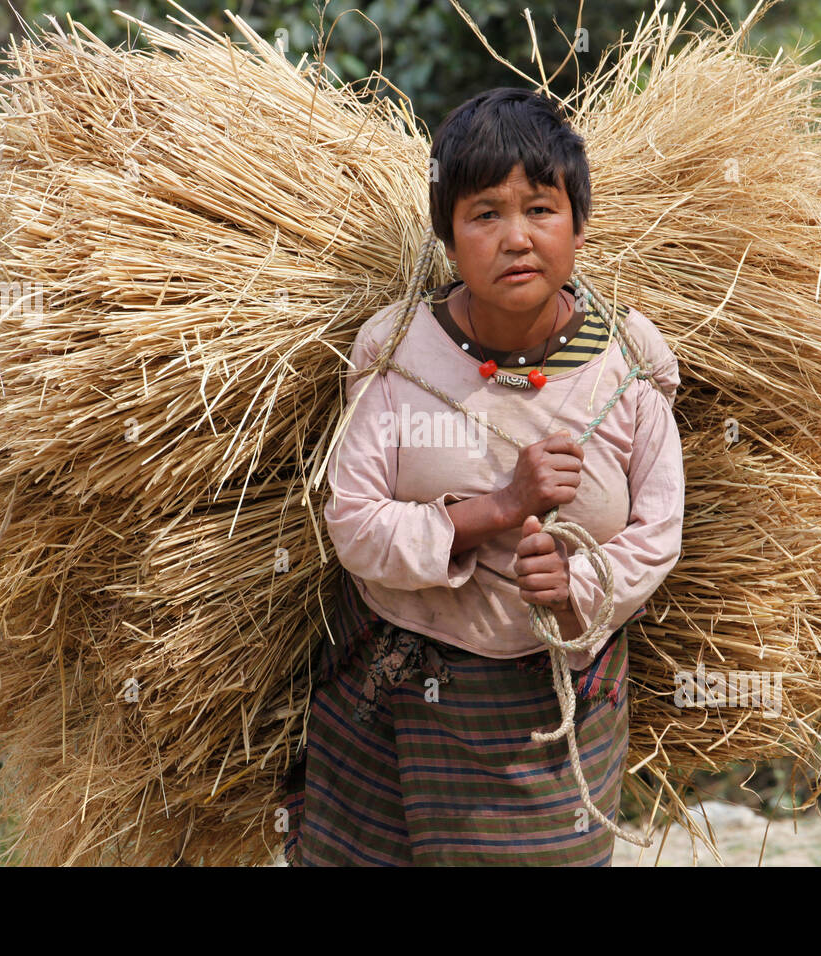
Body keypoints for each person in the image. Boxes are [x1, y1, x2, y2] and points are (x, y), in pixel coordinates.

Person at [279, 87, 684, 866]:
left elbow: (657, 533)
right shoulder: (398, 349)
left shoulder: (629, 359)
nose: (516, 238)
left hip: (551, 708)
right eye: (484, 214)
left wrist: (574, 587)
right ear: (448, 236)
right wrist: (496, 510)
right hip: (390, 693)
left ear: (578, 223)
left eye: (540, 208)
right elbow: (354, 524)